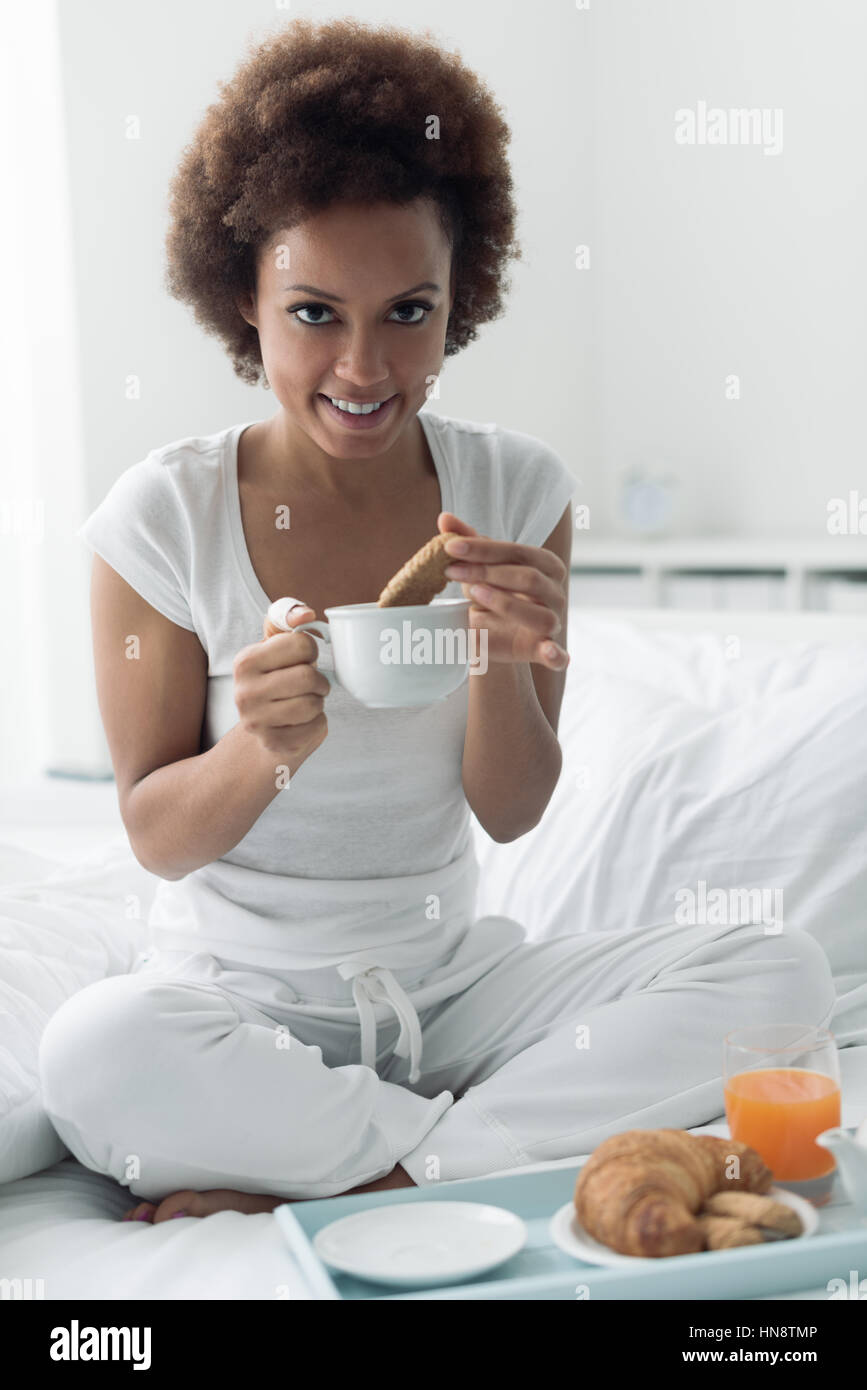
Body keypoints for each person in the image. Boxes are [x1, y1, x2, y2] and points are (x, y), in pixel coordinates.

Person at [38, 17, 833, 1225]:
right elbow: (156, 835)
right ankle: (469, 1148)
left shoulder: (516, 489)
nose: (365, 369)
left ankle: (382, 1174)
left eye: (408, 311)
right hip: (242, 1003)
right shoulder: (160, 515)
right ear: (244, 296)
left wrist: (504, 662)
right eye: (316, 313)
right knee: (94, 1051)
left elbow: (510, 810)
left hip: (456, 995)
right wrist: (258, 749)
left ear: (462, 298)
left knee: (780, 970)